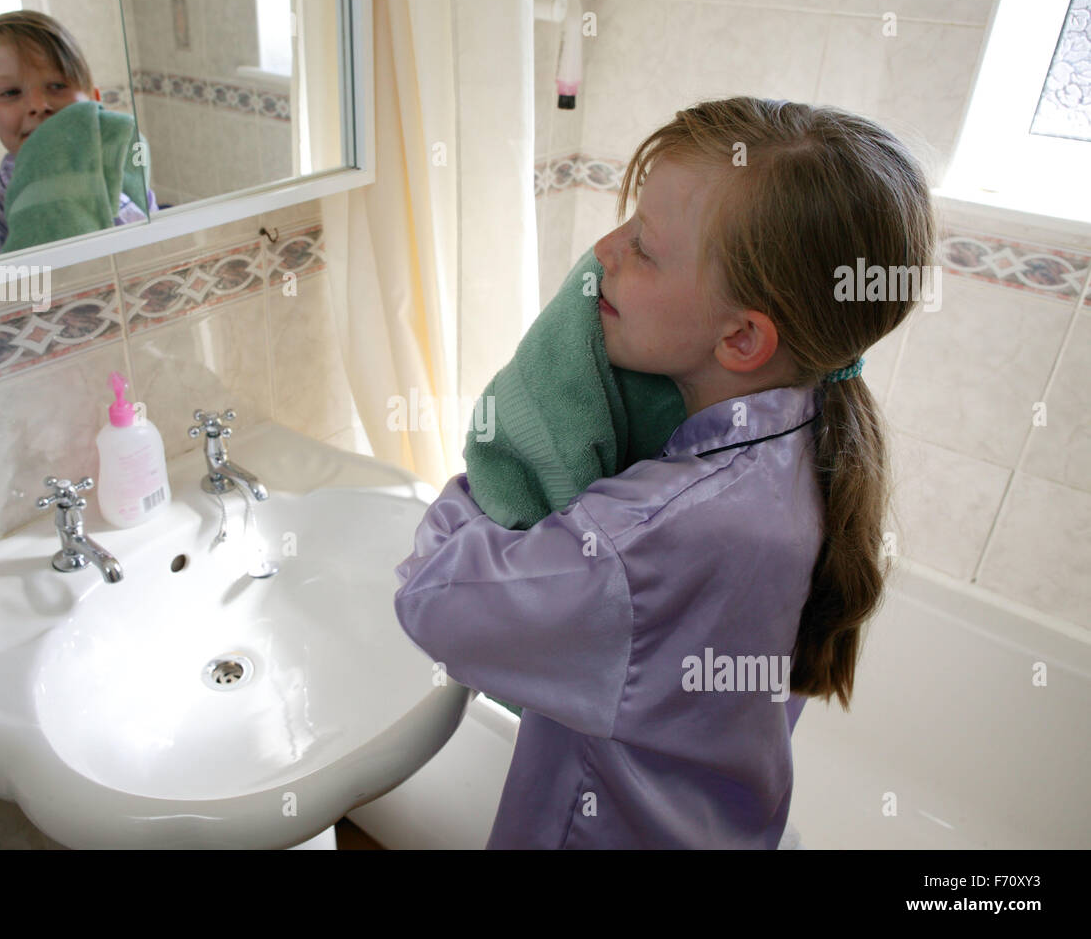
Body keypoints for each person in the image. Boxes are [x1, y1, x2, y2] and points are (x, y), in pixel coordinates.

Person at [393, 97, 937, 848]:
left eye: (643, 248)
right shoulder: (810, 433)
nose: (602, 252)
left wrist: (506, 455)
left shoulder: (649, 538)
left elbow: (435, 601)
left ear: (743, 337)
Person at [0, 10, 156, 265]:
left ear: (93, 103)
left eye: (57, 86)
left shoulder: (119, 175)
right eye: (11, 92)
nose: (38, 105)